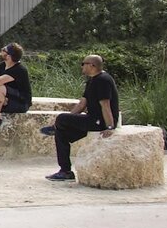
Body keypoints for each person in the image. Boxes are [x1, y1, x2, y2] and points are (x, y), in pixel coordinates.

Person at [43, 53, 120, 181]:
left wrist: (110, 127)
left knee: (61, 118)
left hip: (100, 121)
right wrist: (67, 121)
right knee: (61, 133)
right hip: (91, 119)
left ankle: (55, 127)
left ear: (92, 65)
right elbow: (82, 104)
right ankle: (66, 171)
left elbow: (105, 105)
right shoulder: (92, 80)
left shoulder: (103, 80)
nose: (82, 66)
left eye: (83, 64)